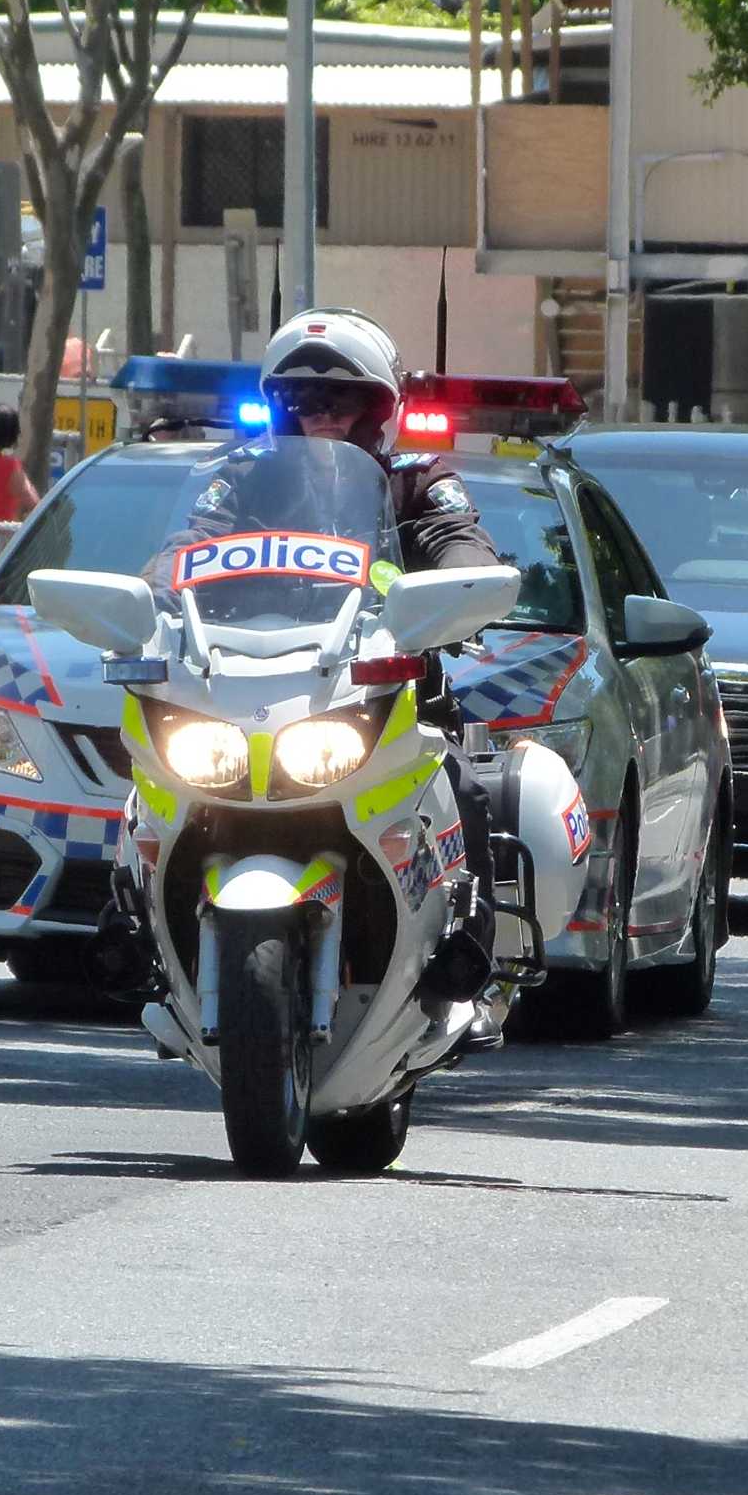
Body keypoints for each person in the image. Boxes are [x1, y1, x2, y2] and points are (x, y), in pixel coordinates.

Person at [186, 308, 508, 1000]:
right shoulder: (241, 481)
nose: (323, 414)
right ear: (281, 408)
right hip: (255, 689)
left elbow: (459, 539)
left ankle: (467, 959)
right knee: (158, 786)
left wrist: (465, 585)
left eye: (343, 398)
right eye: (304, 399)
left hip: (386, 692)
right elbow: (187, 545)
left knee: (464, 788)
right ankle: (129, 926)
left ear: (377, 409)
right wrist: (152, 597)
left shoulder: (417, 480)